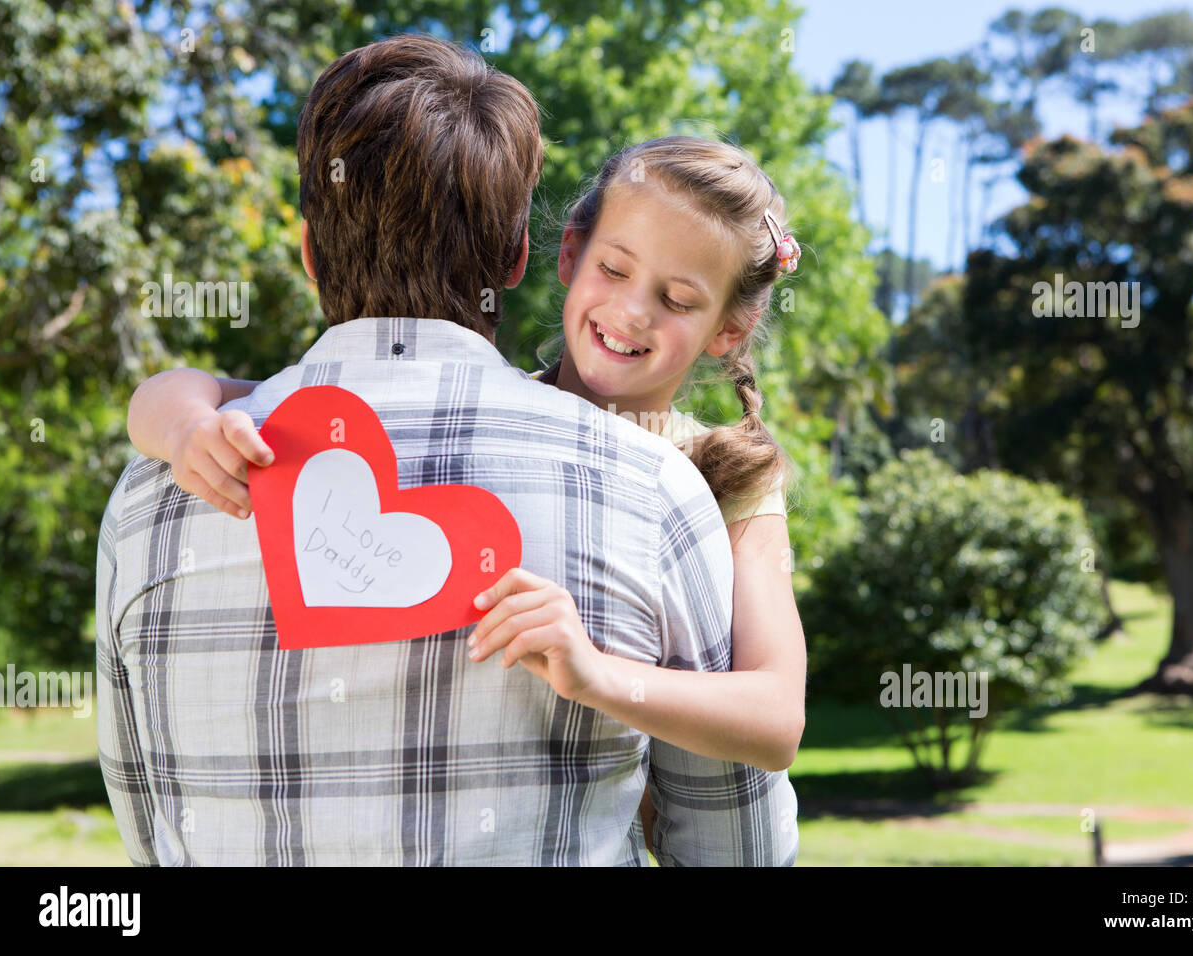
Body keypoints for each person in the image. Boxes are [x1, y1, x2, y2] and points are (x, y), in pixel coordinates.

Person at [96, 33, 798, 866]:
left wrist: (604, 678)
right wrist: (179, 419)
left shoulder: (163, 491)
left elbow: (148, 830)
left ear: (309, 254)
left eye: (677, 298)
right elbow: (737, 847)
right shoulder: (653, 495)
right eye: (615, 271)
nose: (633, 313)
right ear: (541, 256)